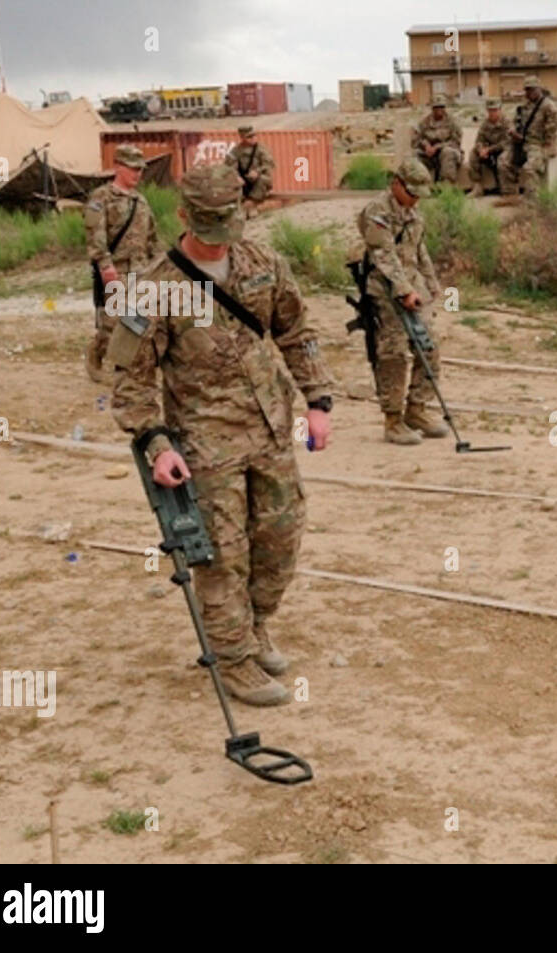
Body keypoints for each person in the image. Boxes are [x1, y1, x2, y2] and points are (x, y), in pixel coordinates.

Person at [109, 163, 334, 706]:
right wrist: (157, 446)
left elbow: (297, 333)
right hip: (204, 446)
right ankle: (232, 659)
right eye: (206, 226)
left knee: (280, 541)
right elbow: (130, 382)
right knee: (222, 558)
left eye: (225, 225)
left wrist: (319, 401)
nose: (216, 241)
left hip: (271, 427)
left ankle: (255, 629)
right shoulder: (153, 289)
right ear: (185, 216)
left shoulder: (263, 263)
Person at [353, 159, 448, 445]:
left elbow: (420, 252)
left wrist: (431, 285)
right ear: (396, 183)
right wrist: (404, 290)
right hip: (384, 291)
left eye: (420, 194)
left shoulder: (414, 214)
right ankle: (393, 419)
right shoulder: (378, 212)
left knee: (429, 346)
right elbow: (383, 255)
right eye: (412, 192)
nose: (416, 199)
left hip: (413, 290)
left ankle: (416, 410)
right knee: (393, 355)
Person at [83, 145, 160, 382]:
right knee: (112, 321)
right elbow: (95, 233)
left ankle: (124, 368)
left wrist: (158, 267)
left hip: (141, 269)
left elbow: (151, 237)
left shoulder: (141, 201)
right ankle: (96, 356)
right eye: (132, 168)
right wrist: (105, 265)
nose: (137, 174)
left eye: (140, 169)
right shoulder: (101, 198)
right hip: (116, 269)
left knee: (138, 321)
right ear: (118, 167)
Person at [498, 76, 557, 196]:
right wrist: (514, 132)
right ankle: (510, 195)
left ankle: (533, 200)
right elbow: (515, 121)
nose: (529, 92)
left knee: (529, 168)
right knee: (503, 162)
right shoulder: (524, 106)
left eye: (532, 89)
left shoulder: (548, 106)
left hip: (538, 144)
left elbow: (554, 124)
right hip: (522, 143)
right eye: (527, 90)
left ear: (539, 89)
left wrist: (546, 141)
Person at [223, 125, 275, 216]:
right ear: (242, 138)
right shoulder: (236, 151)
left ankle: (250, 205)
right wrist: (236, 176)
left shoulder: (261, 149)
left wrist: (257, 171)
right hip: (244, 181)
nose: (253, 138)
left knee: (262, 179)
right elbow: (228, 166)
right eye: (249, 137)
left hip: (259, 180)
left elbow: (269, 164)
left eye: (254, 135)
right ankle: (243, 207)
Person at [412, 99, 462, 185]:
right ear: (432, 109)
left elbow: (456, 141)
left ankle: (447, 185)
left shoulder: (452, 122)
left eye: (441, 107)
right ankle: (419, 184)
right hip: (429, 154)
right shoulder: (425, 122)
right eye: (436, 107)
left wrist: (438, 147)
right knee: (415, 154)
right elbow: (415, 140)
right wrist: (425, 145)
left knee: (447, 152)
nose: (439, 110)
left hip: (448, 152)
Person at [468, 98, 511, 194]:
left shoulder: (507, 123)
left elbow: (507, 142)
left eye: (495, 110)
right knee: (473, 153)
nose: (492, 113)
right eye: (490, 110)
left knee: (503, 159)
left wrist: (489, 149)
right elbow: (479, 140)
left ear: (500, 110)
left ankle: (506, 189)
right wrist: (481, 150)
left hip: (504, 150)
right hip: (489, 153)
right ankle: (477, 186)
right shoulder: (485, 124)